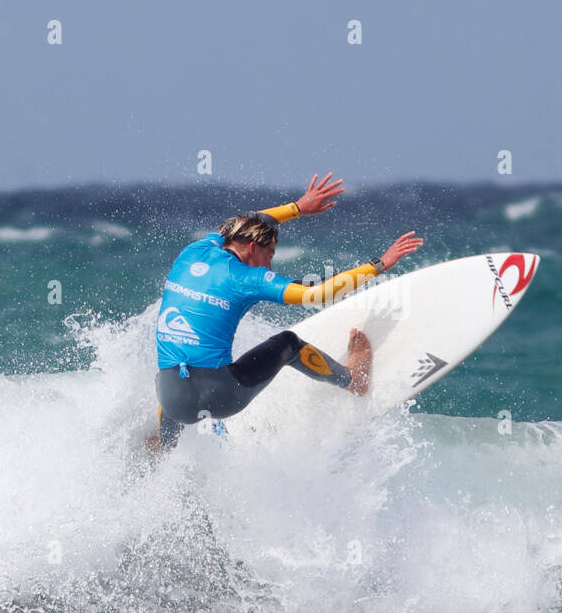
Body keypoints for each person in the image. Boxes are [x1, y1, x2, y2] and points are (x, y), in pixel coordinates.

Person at [147, 173, 423, 451]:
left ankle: (163, 447)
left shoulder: (194, 251)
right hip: (223, 397)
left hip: (173, 402)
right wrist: (380, 264)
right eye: (269, 254)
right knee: (288, 344)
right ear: (254, 247)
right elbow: (317, 293)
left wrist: (298, 207)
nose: (269, 264)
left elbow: (240, 223)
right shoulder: (249, 279)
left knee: (172, 364)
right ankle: (353, 381)